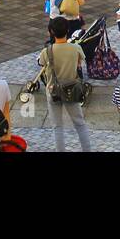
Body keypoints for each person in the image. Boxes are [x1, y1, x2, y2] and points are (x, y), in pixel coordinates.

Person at [38, 16, 92, 152]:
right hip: (72, 89)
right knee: (80, 124)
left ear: (51, 32)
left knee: (57, 127)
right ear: (68, 30)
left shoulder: (47, 51)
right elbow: (80, 62)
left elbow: (41, 63)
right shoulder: (76, 48)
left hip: (53, 90)